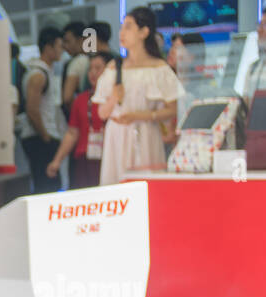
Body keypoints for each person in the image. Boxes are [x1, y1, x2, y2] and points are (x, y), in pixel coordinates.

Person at [92, 7, 181, 184]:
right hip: (117, 136)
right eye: (122, 27)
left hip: (146, 134)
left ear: (144, 32)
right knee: (117, 188)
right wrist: (114, 99)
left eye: (128, 27)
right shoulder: (113, 67)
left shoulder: (159, 68)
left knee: (146, 186)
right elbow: (102, 113)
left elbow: (173, 109)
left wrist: (140, 116)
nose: (122, 32)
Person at [48, 52, 112, 189]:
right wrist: (57, 161)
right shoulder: (81, 100)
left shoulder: (115, 99)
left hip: (109, 157)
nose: (93, 73)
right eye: (90, 69)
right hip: (85, 158)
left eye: (98, 68)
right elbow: (72, 133)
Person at [18, 26, 67, 193]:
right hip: (39, 138)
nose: (62, 50)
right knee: (46, 186)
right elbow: (32, 109)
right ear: (48, 47)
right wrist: (46, 136)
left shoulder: (44, 72)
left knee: (50, 185)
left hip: (43, 136)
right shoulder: (38, 75)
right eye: (59, 46)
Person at [61, 20, 90, 112]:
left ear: (81, 40)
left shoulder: (76, 62)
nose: (65, 46)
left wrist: (78, 114)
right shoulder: (95, 58)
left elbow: (67, 98)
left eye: (67, 41)